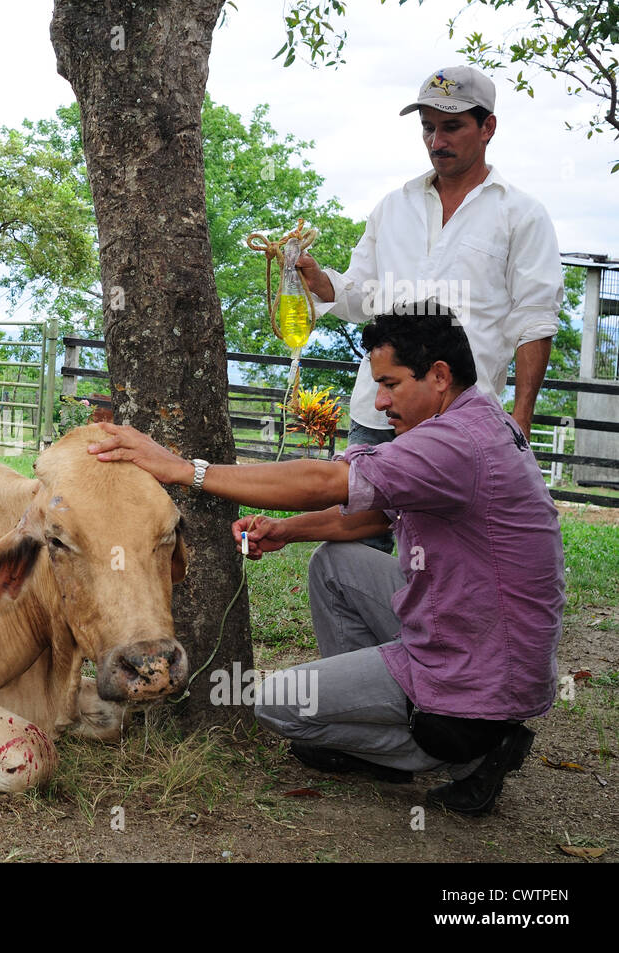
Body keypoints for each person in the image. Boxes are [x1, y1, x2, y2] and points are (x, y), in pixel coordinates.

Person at [87, 306, 565, 816]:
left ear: (440, 376)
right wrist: (285, 530)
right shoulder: (481, 418)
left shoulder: (454, 443)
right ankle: (398, 720)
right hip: (484, 632)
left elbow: (325, 482)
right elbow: (371, 516)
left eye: (391, 384)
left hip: (475, 664)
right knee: (335, 564)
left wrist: (185, 470)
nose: (380, 402)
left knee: (274, 704)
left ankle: (459, 747)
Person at [297, 66, 562, 551]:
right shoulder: (392, 206)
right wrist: (321, 282)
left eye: (452, 126)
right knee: (352, 550)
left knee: (450, 557)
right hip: (380, 410)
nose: (436, 141)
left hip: (462, 424)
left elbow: (534, 320)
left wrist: (520, 418)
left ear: (488, 127)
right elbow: (362, 296)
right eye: (428, 127)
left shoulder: (521, 214)